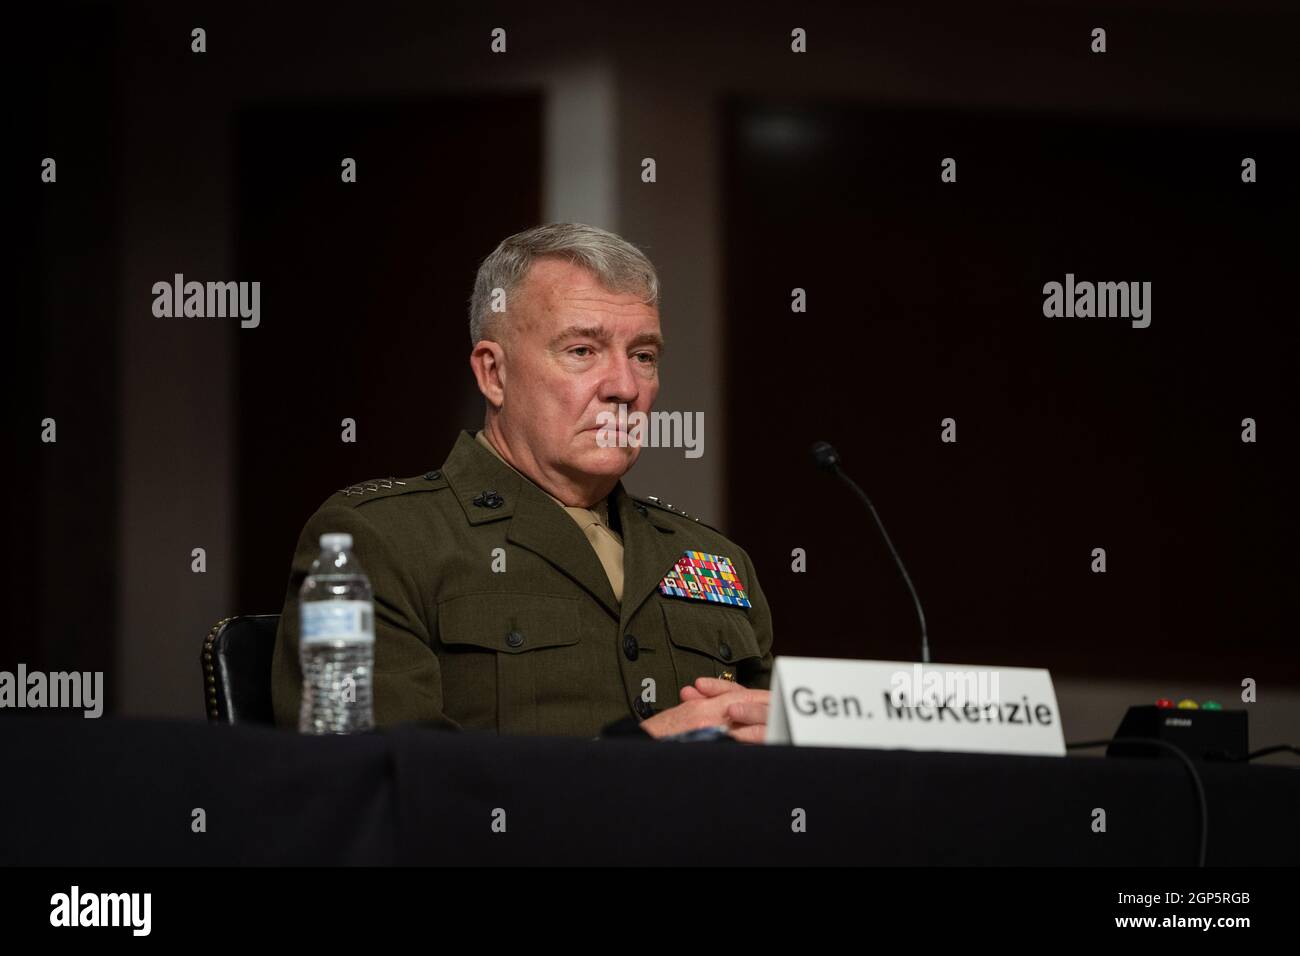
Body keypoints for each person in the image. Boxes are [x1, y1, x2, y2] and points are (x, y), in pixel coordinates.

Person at [270, 223, 773, 740]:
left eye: (643, 356)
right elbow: (381, 779)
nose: (625, 387)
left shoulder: (714, 559)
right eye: (582, 351)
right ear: (494, 374)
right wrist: (636, 758)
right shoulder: (379, 541)